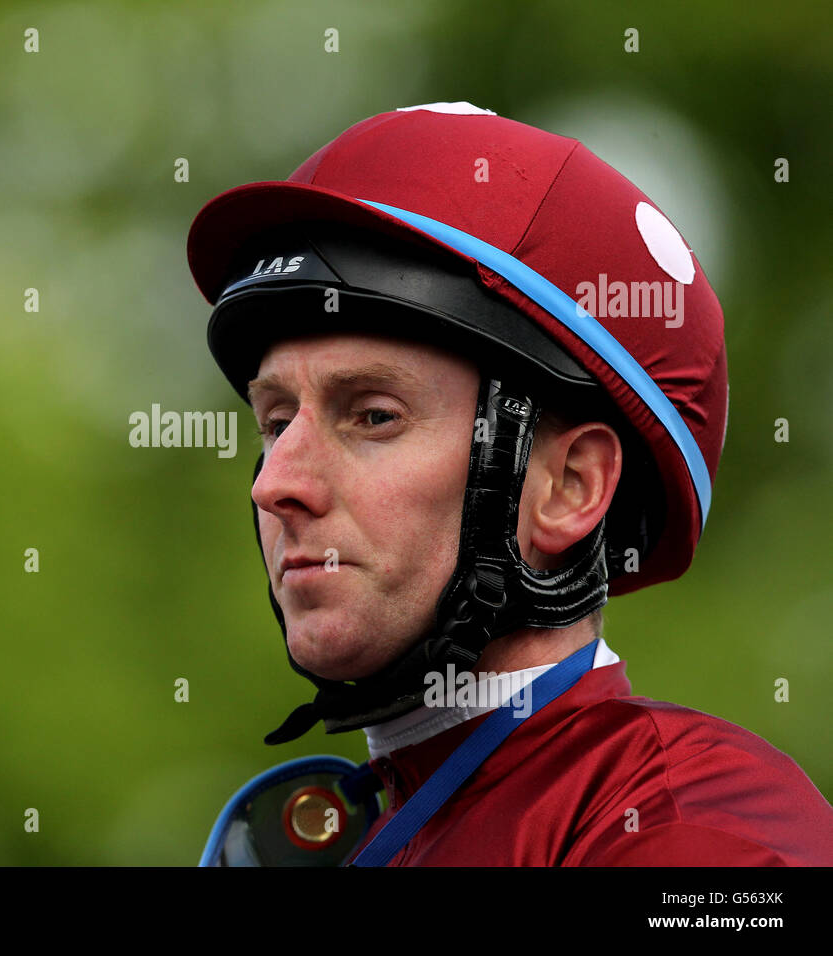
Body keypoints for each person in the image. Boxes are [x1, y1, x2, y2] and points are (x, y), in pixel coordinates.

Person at [188, 102, 833, 865]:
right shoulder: (380, 817)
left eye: (372, 416)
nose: (277, 485)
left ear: (569, 487)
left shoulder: (688, 827)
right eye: (275, 421)